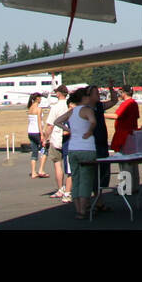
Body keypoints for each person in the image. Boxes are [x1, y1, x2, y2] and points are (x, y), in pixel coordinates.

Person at [63, 87, 100, 218]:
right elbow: (93, 121)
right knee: (86, 180)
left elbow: (57, 121)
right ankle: (84, 209)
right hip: (87, 148)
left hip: (73, 148)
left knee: (76, 178)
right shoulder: (87, 110)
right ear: (84, 98)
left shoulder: (72, 111)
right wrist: (90, 131)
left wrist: (69, 129)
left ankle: (78, 209)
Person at [42, 86, 72, 200]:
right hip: (68, 137)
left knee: (57, 164)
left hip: (57, 138)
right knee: (69, 167)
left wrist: (45, 138)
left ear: (59, 94)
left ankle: (61, 188)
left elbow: (50, 125)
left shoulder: (55, 107)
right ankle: (69, 189)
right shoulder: (69, 105)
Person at [26, 93, 47, 179]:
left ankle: (33, 172)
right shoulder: (38, 109)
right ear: (37, 98)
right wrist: (42, 134)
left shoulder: (30, 108)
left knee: (34, 152)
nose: (41, 99)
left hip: (30, 132)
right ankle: (41, 169)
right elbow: (39, 122)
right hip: (36, 132)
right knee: (44, 149)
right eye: (40, 98)